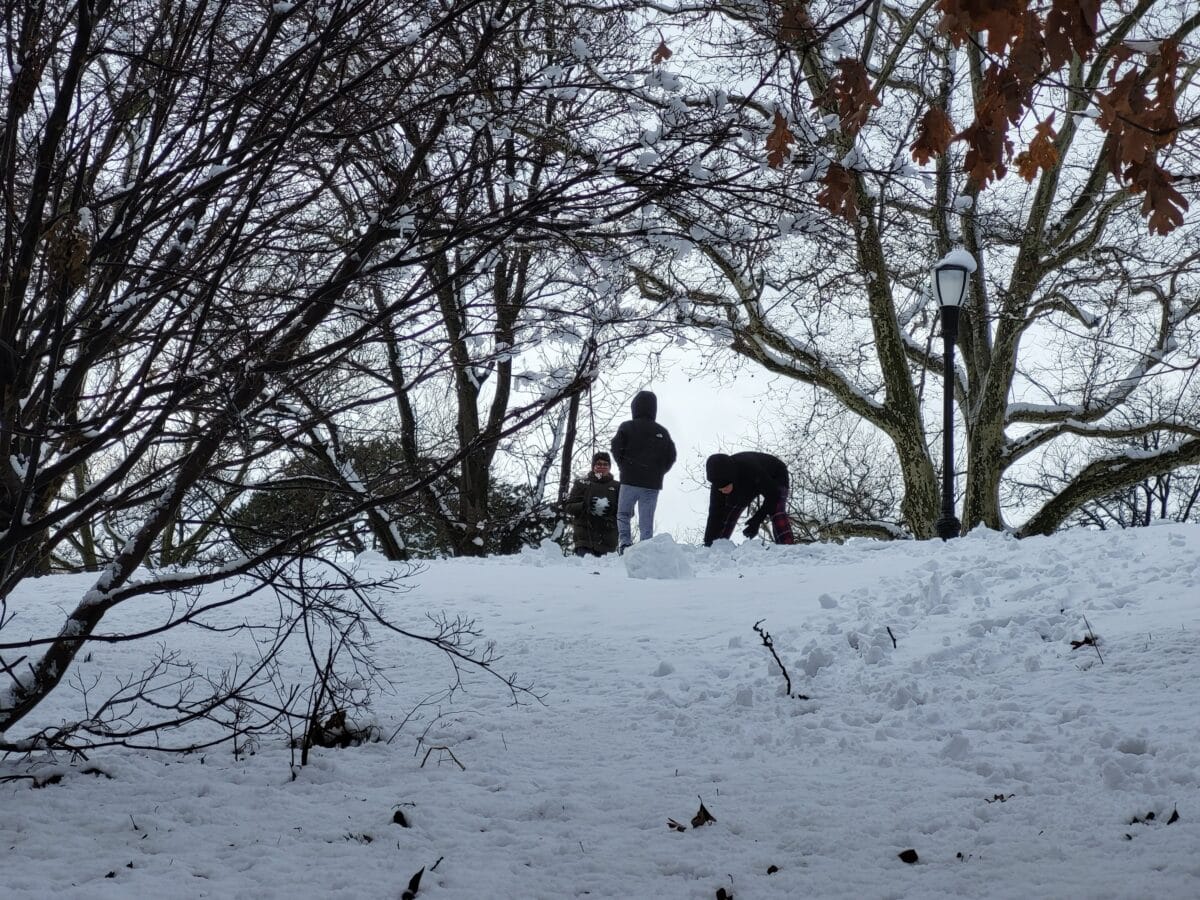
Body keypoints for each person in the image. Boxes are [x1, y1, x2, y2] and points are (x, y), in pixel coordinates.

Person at [610, 390, 677, 551]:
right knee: (646, 519)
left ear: (635, 408)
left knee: (623, 514)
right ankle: (646, 547)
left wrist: (624, 466)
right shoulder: (661, 431)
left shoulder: (627, 427)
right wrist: (659, 471)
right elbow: (671, 455)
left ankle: (625, 543)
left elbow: (616, 447)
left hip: (629, 480)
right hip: (652, 484)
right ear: (654, 409)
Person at [703, 451, 795, 546]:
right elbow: (714, 515)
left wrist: (756, 520)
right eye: (720, 488)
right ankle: (716, 548)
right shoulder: (717, 485)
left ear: (731, 478)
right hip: (746, 486)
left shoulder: (750, 468)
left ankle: (787, 547)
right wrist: (708, 543)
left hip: (775, 475)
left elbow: (773, 495)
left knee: (776, 509)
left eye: (725, 486)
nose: (723, 490)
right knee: (727, 511)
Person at [562, 451, 621, 557]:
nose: (602, 467)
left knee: (607, 573)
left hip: (608, 541)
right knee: (584, 572)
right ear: (593, 466)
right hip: (584, 539)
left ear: (609, 467)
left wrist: (612, 508)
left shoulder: (618, 487)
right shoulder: (581, 483)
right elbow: (569, 507)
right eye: (598, 464)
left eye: (605, 464)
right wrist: (585, 505)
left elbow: (628, 512)